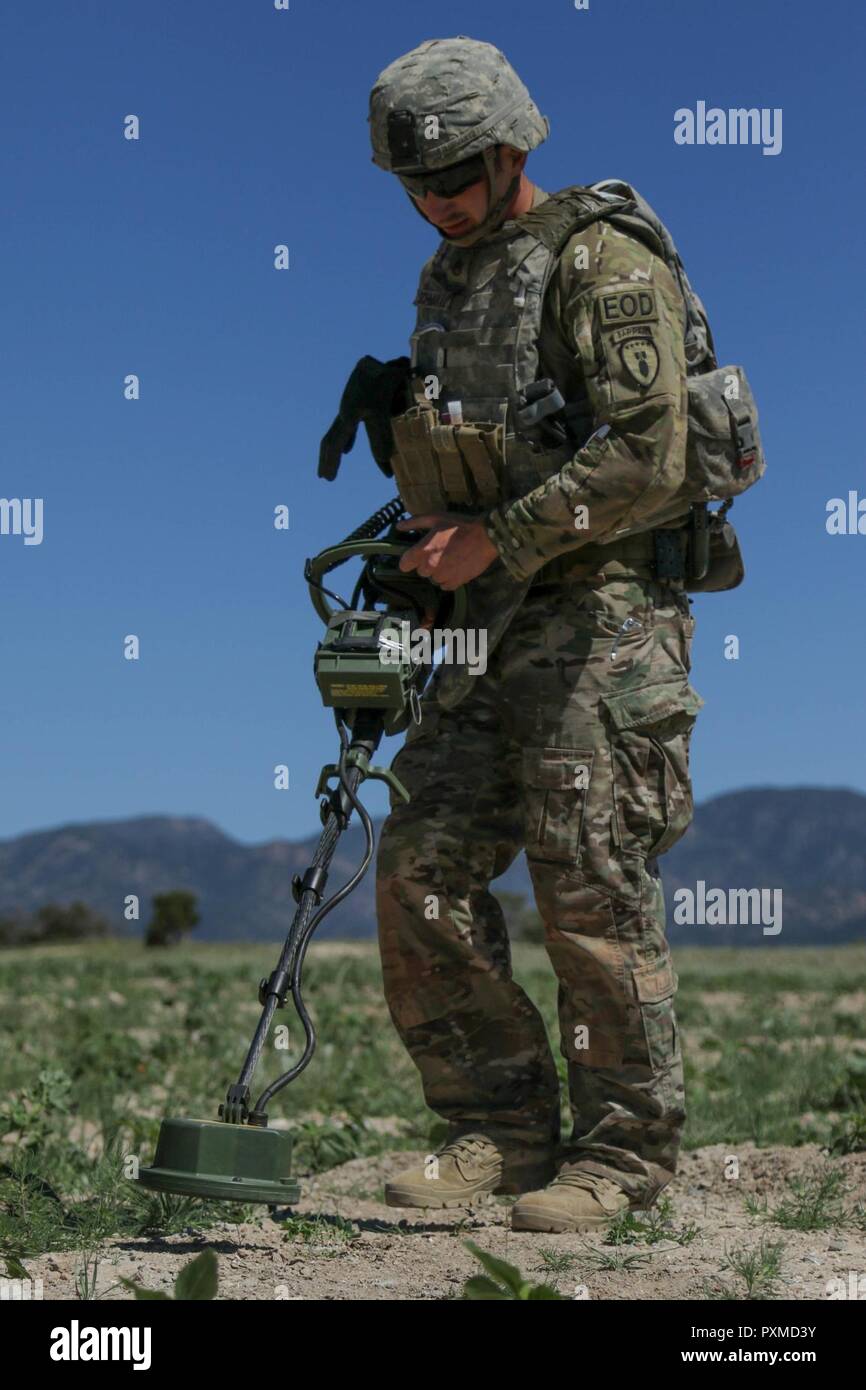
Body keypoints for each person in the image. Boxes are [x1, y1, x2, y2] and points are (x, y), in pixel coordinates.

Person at [339, 36, 704, 1233]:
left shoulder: (601, 257)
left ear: (509, 151)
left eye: (453, 178)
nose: (436, 203)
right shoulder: (448, 284)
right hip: (479, 630)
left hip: (603, 623)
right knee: (420, 868)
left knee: (587, 884)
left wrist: (491, 538)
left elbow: (647, 454)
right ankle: (494, 1127)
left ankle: (622, 1159)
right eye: (416, 187)